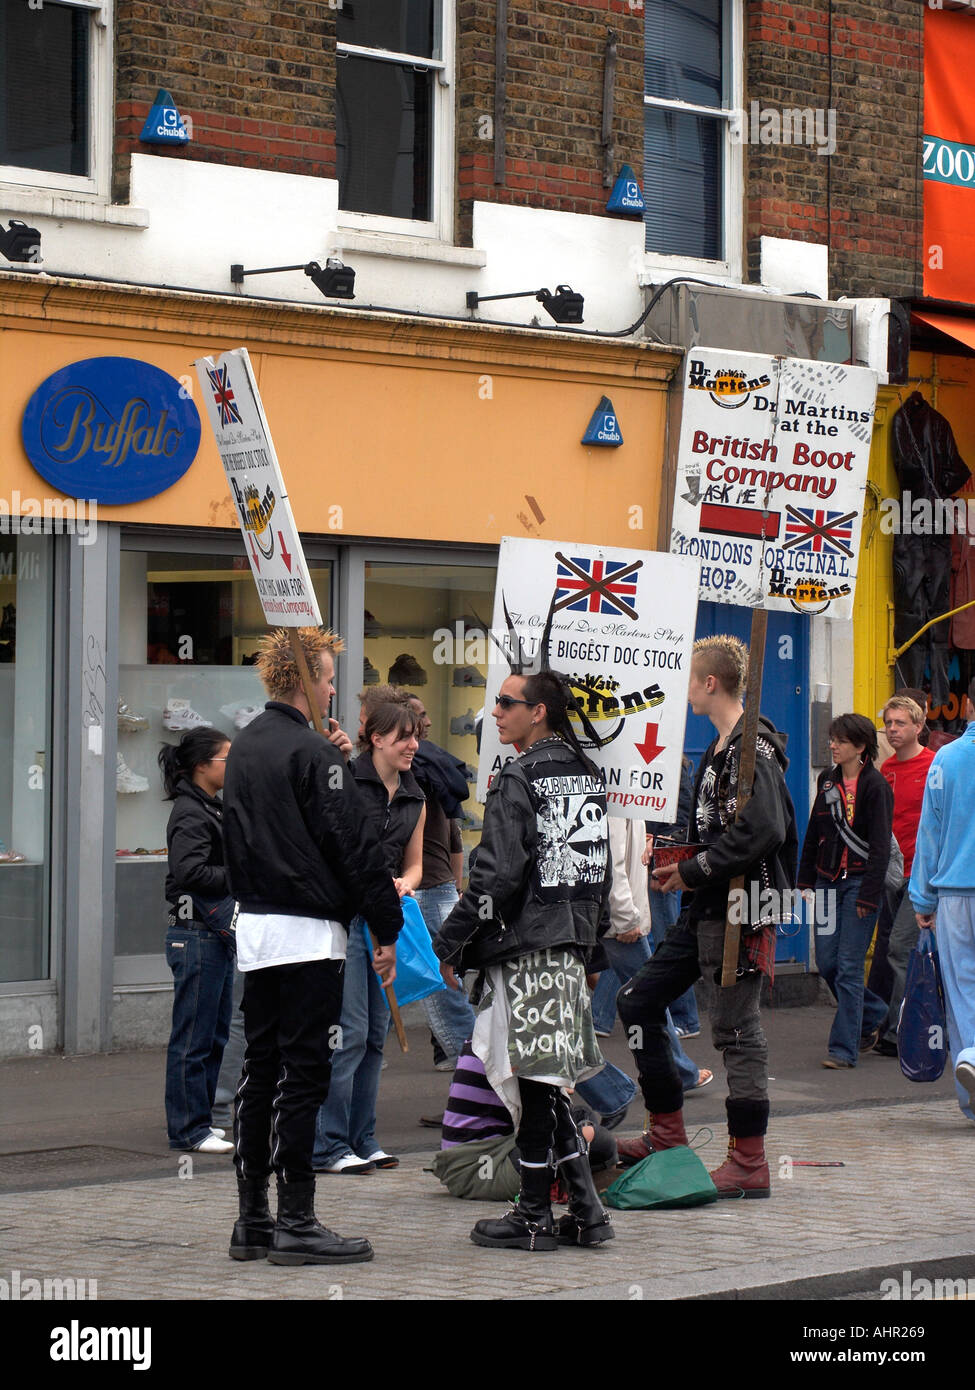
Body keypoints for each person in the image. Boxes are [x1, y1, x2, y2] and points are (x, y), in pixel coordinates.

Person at [221, 626, 402, 1266]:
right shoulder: (312, 754)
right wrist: (388, 925)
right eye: (328, 677)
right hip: (305, 929)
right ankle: (296, 1219)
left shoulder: (245, 746)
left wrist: (335, 764)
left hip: (259, 926)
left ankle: (254, 1219)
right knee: (304, 1074)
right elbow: (351, 846)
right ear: (303, 678)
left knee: (260, 1069)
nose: (333, 687)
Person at [433, 667, 614, 1251]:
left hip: (526, 945)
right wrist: (593, 947)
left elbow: (497, 876)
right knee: (544, 1081)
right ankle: (585, 1210)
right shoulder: (586, 770)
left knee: (536, 1080)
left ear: (537, 712)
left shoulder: (518, 777)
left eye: (508, 702)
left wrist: (449, 940)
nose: (498, 712)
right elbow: (596, 871)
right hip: (566, 943)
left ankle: (535, 1213)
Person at [616, 635, 797, 1199]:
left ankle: (749, 1162)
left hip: (743, 908)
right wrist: (678, 852)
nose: (684, 689)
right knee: (637, 1001)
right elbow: (723, 830)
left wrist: (694, 870)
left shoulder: (753, 749)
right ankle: (667, 1133)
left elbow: (765, 828)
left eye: (690, 679)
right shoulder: (722, 746)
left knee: (737, 1031)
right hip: (708, 906)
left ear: (709, 683)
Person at [313, 699, 426, 1174]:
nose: (413, 745)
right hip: (348, 919)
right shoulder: (345, 780)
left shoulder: (415, 795)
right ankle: (329, 1143)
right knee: (351, 1032)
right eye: (403, 736)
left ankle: (364, 1137)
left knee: (377, 1033)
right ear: (376, 738)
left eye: (416, 734)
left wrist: (407, 882)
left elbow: (416, 863)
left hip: (387, 919)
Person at [798, 714, 893, 1068]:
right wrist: (805, 880)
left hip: (859, 884)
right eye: (832, 738)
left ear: (860, 746)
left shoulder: (876, 787)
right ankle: (873, 1013)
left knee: (850, 966)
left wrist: (870, 895)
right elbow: (813, 833)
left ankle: (843, 1049)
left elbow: (880, 847)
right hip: (825, 882)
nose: (832, 745)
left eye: (839, 740)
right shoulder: (827, 782)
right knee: (826, 962)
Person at [160, 727, 235, 1155]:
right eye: (226, 758)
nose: (232, 765)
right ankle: (188, 1129)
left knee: (214, 1032)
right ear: (203, 765)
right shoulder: (192, 811)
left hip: (211, 934)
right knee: (193, 1035)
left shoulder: (211, 807)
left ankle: (200, 1121)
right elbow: (188, 874)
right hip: (195, 934)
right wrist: (238, 876)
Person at [909, 680, 975, 1121]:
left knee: (962, 993)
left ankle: (971, 1075)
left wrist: (922, 897)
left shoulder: (945, 760)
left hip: (954, 895)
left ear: (968, 704)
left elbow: (928, 834)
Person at [406, 693, 479, 1066]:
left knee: (442, 988)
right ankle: (466, 1079)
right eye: (421, 715)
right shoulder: (436, 767)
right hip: (439, 887)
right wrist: (457, 884)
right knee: (441, 984)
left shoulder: (415, 771)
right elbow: (454, 838)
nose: (428, 722)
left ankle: (477, 1079)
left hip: (425, 889)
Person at [874, 695, 936, 1056]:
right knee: (896, 950)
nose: (893, 729)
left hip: (922, 874)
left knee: (899, 948)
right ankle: (895, 1024)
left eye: (900, 723)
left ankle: (901, 1032)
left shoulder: (933, 765)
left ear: (918, 726)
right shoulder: (887, 770)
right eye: (889, 723)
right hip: (891, 875)